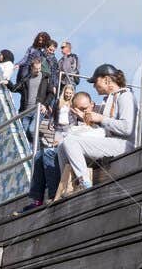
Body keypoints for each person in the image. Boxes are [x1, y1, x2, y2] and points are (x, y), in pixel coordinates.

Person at [55, 66, 137, 194]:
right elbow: (105, 128)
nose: (93, 86)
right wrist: (89, 120)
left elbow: (127, 128)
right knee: (62, 147)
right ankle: (68, 186)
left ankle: (85, 184)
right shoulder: (110, 99)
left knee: (70, 141)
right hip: (110, 143)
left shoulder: (126, 96)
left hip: (123, 145)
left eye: (95, 82)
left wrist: (101, 119)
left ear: (107, 80)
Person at [18, 85, 75, 212]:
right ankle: (37, 199)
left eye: (71, 93)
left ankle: (54, 194)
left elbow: (76, 123)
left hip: (71, 134)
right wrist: (52, 125)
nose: (69, 95)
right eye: (67, 92)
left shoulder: (74, 107)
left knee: (48, 152)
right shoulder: (59, 104)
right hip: (60, 131)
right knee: (39, 154)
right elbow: (54, 116)